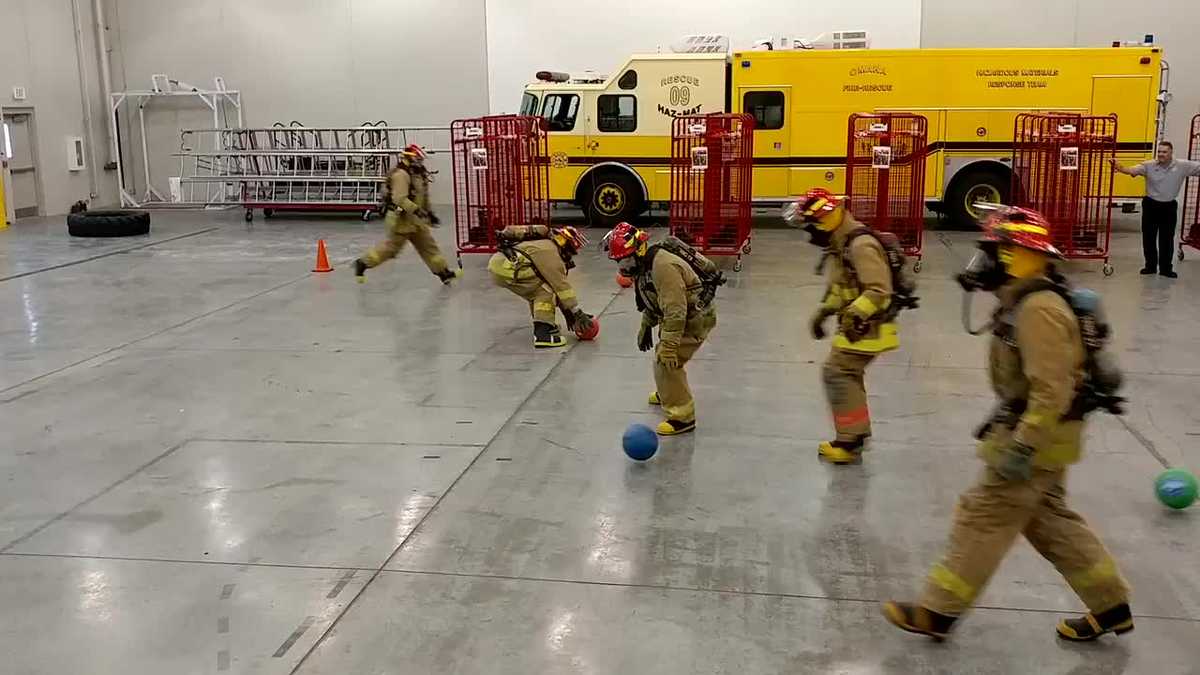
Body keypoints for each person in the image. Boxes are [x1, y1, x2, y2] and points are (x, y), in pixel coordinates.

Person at [882, 206, 1131, 643]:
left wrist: (1022, 446)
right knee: (1051, 521)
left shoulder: (1039, 310)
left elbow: (1051, 390)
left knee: (984, 517)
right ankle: (1111, 605)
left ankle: (938, 611)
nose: (985, 261)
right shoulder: (1026, 300)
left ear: (1018, 254)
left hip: (1035, 436)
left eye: (994, 251)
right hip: (1047, 435)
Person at [786, 188, 897, 465]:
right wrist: (824, 312)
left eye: (811, 225)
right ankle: (855, 435)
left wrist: (853, 315)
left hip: (868, 327)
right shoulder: (840, 241)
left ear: (826, 219)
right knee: (847, 375)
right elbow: (843, 288)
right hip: (857, 325)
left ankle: (848, 442)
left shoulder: (860, 246)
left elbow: (879, 290)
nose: (810, 232)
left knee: (837, 373)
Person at [604, 222, 717, 436]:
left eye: (624, 259)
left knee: (666, 361)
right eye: (619, 261)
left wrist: (670, 346)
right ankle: (668, 391)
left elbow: (675, 310)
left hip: (695, 319)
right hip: (682, 316)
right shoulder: (646, 264)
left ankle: (682, 417)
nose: (622, 267)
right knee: (664, 358)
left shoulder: (663, 267)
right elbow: (655, 300)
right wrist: (646, 325)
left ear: (637, 251)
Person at [355, 144, 460, 284]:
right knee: (391, 249)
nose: (420, 162)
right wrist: (416, 210)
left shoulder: (418, 174)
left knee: (429, 247)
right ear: (409, 158)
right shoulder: (401, 175)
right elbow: (399, 199)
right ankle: (363, 263)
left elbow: (423, 196)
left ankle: (443, 272)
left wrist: (429, 213)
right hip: (401, 221)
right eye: (417, 158)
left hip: (416, 222)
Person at [488, 224, 594, 349]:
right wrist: (576, 312)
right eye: (571, 251)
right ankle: (543, 334)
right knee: (545, 291)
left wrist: (568, 311)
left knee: (538, 290)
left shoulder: (546, 245)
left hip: (503, 265)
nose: (571, 255)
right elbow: (560, 285)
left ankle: (546, 324)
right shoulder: (551, 252)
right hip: (506, 268)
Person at [1111, 141, 1200, 278]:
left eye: (1164, 152)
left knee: (1167, 238)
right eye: (1159, 152)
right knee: (1149, 237)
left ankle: (1166, 269)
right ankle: (1150, 266)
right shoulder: (1148, 166)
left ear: (1171, 153)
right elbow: (1131, 171)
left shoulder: (1182, 165)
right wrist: (1119, 166)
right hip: (1151, 205)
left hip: (1169, 207)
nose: (1161, 154)